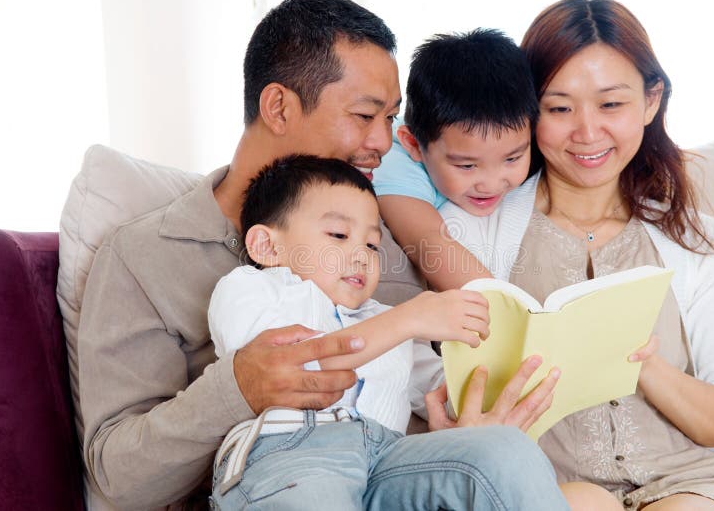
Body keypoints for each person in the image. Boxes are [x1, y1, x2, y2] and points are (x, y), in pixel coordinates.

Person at [75, 0, 558, 509]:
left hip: (390, 471)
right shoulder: (146, 256)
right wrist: (238, 388)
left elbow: (416, 383)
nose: (383, 142)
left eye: (390, 118)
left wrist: (459, 433)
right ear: (279, 107)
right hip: (281, 481)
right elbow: (120, 477)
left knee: (508, 458)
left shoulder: (381, 235)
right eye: (364, 115)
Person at [425, 0, 714, 510]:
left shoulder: (696, 239)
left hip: (699, 480)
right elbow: (424, 384)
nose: (588, 133)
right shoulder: (469, 233)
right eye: (559, 108)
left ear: (651, 101)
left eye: (611, 105)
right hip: (551, 486)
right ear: (528, 113)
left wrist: (643, 365)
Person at [205, 154, 568, 509]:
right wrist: (408, 319)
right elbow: (287, 369)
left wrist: (490, 392)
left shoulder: (386, 319)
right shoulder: (251, 288)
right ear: (267, 246)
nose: (361, 255)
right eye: (338, 234)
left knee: (506, 450)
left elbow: (442, 385)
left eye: (371, 244)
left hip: (388, 456)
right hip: (290, 451)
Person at [373, 28, 538, 289]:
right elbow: (430, 243)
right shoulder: (393, 163)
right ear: (414, 145)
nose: (491, 184)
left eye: (512, 159)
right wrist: (505, 306)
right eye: (467, 166)